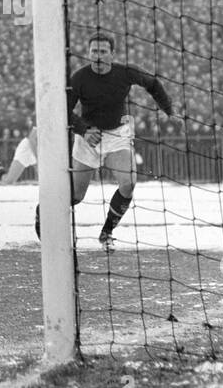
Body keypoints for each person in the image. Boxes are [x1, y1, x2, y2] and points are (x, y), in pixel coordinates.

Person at [64, 33, 176, 251]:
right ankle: (44, 213)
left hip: (117, 135)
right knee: (76, 196)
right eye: (94, 51)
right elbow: (64, 110)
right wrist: (83, 130)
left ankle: (106, 232)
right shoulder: (79, 78)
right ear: (88, 53)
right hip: (89, 137)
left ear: (112, 54)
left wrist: (168, 111)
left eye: (103, 51)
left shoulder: (125, 72)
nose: (98, 56)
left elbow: (153, 83)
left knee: (129, 183)